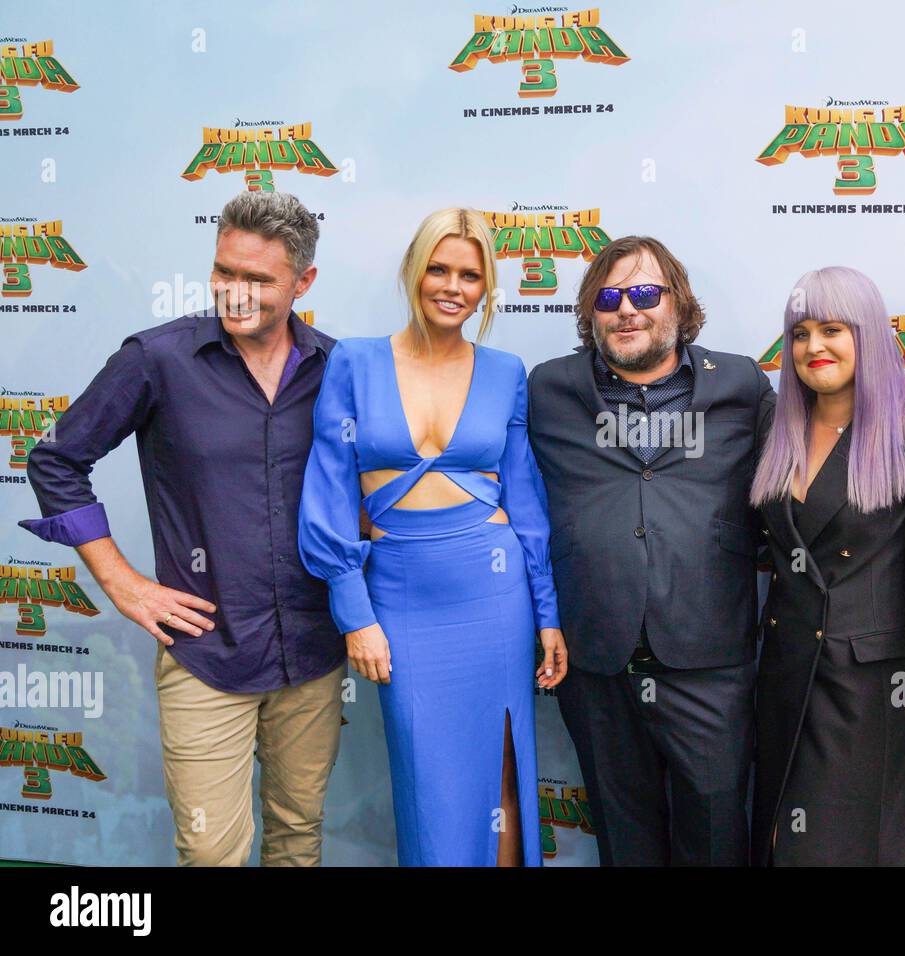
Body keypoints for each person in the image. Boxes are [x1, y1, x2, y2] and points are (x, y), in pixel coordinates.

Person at [20, 191, 345, 866]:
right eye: (224, 272)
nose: (235, 292)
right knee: (209, 852)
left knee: (298, 838)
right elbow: (56, 460)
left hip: (314, 651)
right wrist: (120, 581)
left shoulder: (337, 369)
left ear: (304, 282)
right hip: (207, 652)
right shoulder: (156, 360)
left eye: (259, 280)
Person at [297, 207, 567, 867]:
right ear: (414, 273)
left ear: (486, 288)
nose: (452, 286)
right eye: (438, 269)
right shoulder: (354, 362)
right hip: (400, 597)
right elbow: (330, 492)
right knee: (428, 786)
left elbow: (525, 501)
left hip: (494, 593)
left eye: (469, 275)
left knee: (502, 773)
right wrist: (354, 613)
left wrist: (549, 614)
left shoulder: (506, 370)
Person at [527, 235, 775, 866]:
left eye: (643, 293)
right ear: (590, 311)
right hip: (597, 662)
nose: (626, 310)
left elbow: (809, 466)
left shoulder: (742, 384)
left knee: (718, 839)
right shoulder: (548, 389)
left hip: (710, 662)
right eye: (609, 297)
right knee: (623, 838)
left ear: (678, 302)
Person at [748, 266, 905, 866]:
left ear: (867, 335)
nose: (813, 347)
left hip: (872, 692)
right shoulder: (773, 428)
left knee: (861, 848)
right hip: (786, 680)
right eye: (799, 333)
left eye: (832, 330)